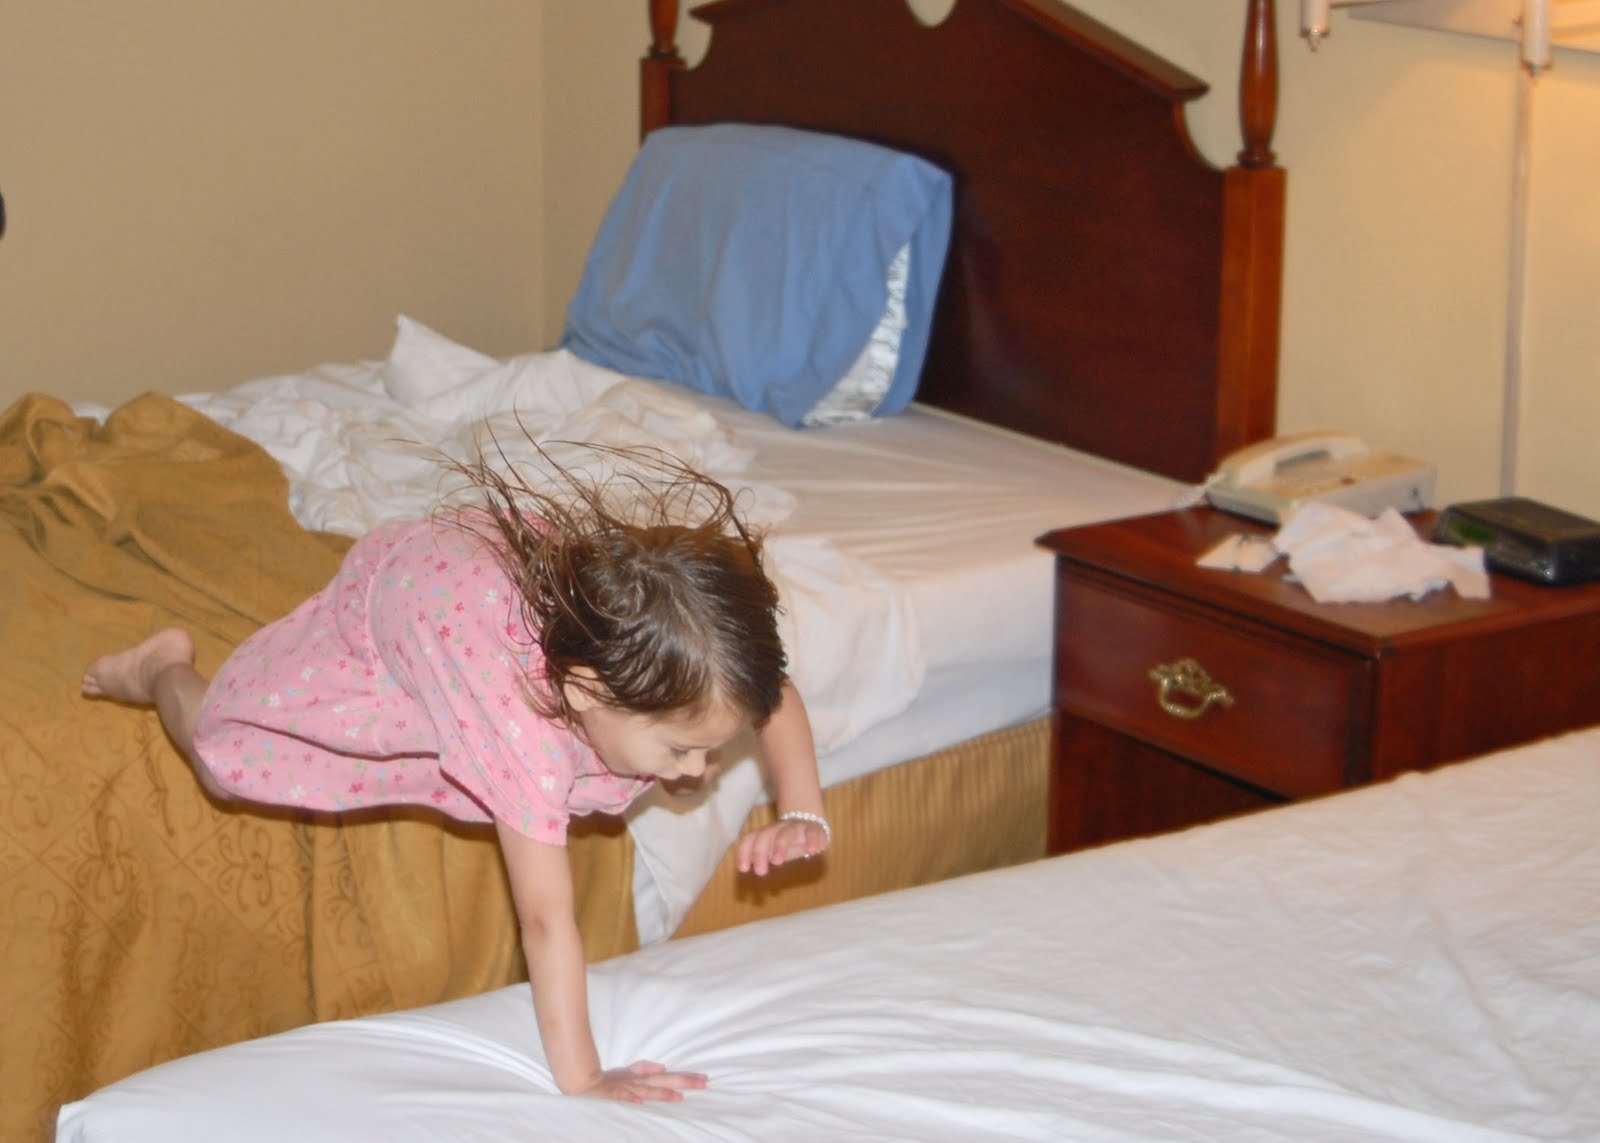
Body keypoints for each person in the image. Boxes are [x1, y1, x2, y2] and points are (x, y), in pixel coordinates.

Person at [81, 444, 829, 1104]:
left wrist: (803, 808)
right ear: (584, 692)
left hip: (490, 573)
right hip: (407, 599)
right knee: (226, 758)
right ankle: (161, 668)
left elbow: (774, 697)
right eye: (678, 751)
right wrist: (585, 1078)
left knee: (682, 722)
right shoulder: (525, 734)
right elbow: (545, 920)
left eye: (708, 749)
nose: (700, 772)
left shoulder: (662, 660)